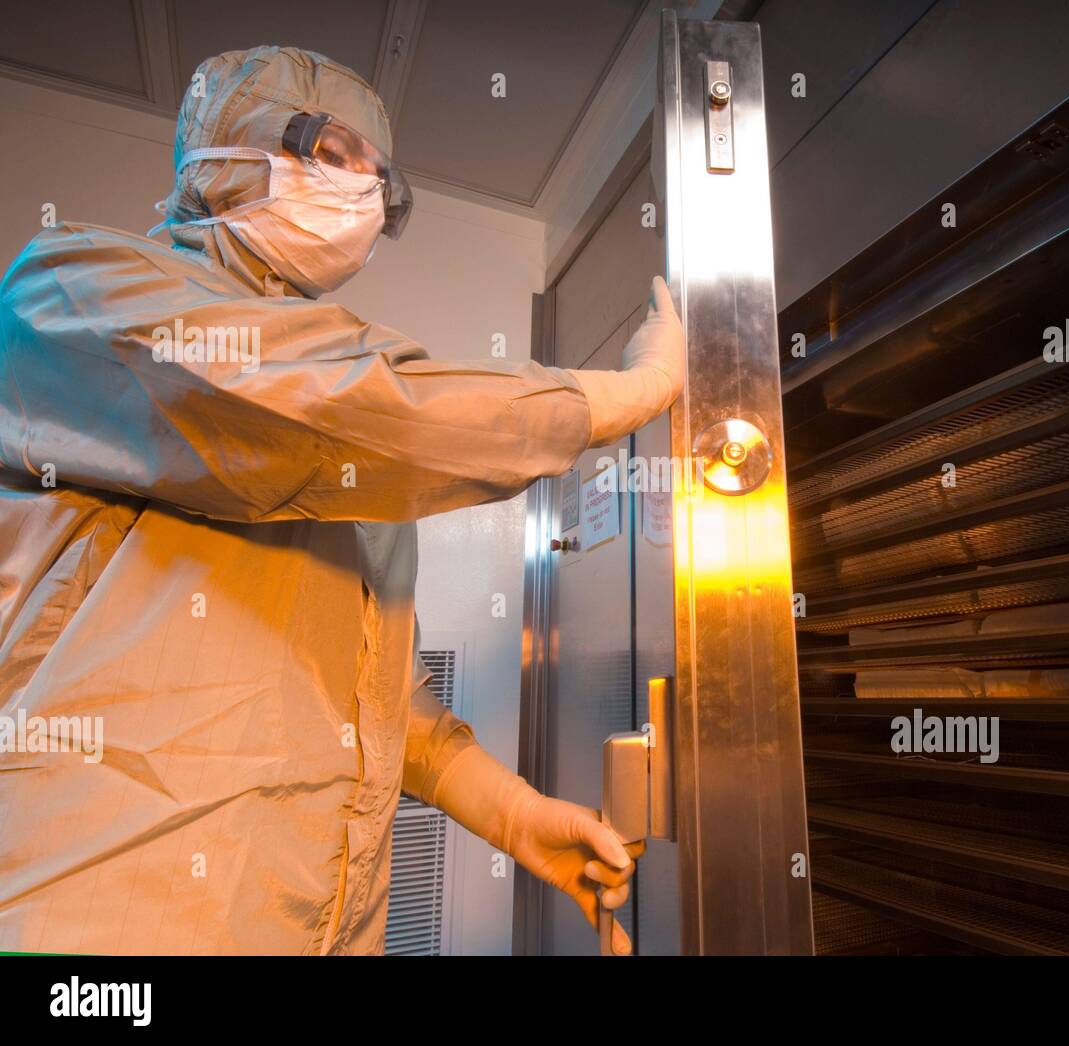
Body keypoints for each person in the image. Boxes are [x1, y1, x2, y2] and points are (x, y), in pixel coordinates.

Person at [0, 46, 684, 955]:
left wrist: (514, 815)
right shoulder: (73, 288)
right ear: (223, 153)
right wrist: (626, 398)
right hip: (102, 926)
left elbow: (378, 703)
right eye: (333, 152)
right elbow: (344, 403)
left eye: (379, 180)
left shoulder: (342, 432)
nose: (362, 192)